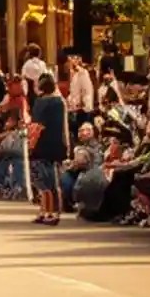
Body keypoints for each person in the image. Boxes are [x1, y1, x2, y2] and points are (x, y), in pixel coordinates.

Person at [29, 73, 69, 225]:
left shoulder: (40, 103)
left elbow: (36, 125)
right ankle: (54, 212)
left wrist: (31, 144)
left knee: (42, 182)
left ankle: (45, 211)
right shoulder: (60, 102)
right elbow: (64, 126)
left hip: (41, 144)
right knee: (54, 181)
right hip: (57, 144)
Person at [66, 55, 95, 136]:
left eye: (73, 59)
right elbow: (73, 92)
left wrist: (83, 104)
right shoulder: (74, 74)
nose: (70, 61)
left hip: (82, 110)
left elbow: (86, 90)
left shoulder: (82, 73)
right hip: (75, 109)